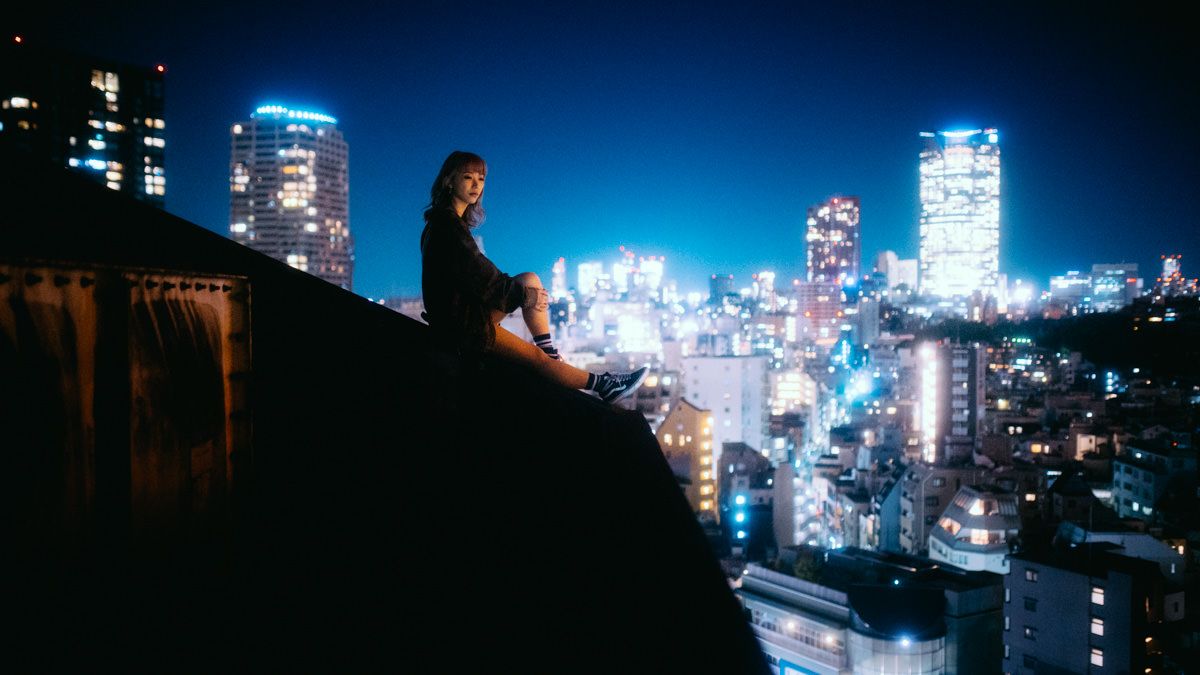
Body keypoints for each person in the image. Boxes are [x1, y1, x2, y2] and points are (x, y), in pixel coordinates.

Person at [419, 151, 648, 403]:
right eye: (467, 177)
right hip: (461, 327)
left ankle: (549, 352)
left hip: (460, 315)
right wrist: (528, 298)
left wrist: (526, 293)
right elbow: (485, 279)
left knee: (529, 279)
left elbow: (484, 276)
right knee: (536, 359)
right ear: (449, 181)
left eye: (481, 179)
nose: (476, 185)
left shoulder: (447, 223)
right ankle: (603, 384)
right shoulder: (448, 228)